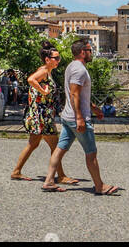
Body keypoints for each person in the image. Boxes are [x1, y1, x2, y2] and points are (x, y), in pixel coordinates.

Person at [41, 39, 118, 196]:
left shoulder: (71, 66)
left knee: (60, 149)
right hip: (76, 118)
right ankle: (100, 186)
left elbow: (78, 94)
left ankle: (49, 181)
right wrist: (80, 118)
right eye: (89, 50)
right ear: (83, 52)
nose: (91, 53)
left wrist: (94, 107)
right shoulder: (80, 70)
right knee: (91, 153)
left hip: (68, 116)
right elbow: (74, 93)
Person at [10, 42, 76, 185]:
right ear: (47, 59)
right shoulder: (44, 71)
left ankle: (16, 171)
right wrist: (43, 91)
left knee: (33, 144)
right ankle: (61, 176)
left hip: (40, 115)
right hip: (42, 116)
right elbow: (31, 79)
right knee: (56, 146)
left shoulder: (47, 71)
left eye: (58, 58)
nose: (58, 61)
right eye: (56, 58)